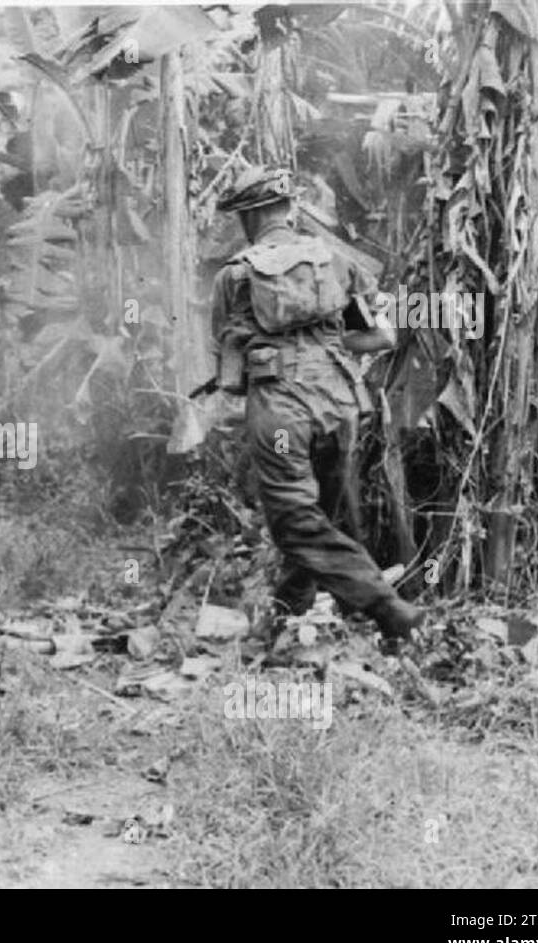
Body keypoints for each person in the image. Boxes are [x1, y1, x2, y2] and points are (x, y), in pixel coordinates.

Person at [210, 165, 423, 644]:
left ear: (249, 217)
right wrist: (327, 344)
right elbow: (382, 336)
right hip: (340, 402)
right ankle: (288, 618)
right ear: (289, 209)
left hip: (282, 407)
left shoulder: (235, 275)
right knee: (322, 515)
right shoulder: (336, 261)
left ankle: (387, 608)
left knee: (294, 522)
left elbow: (229, 376)